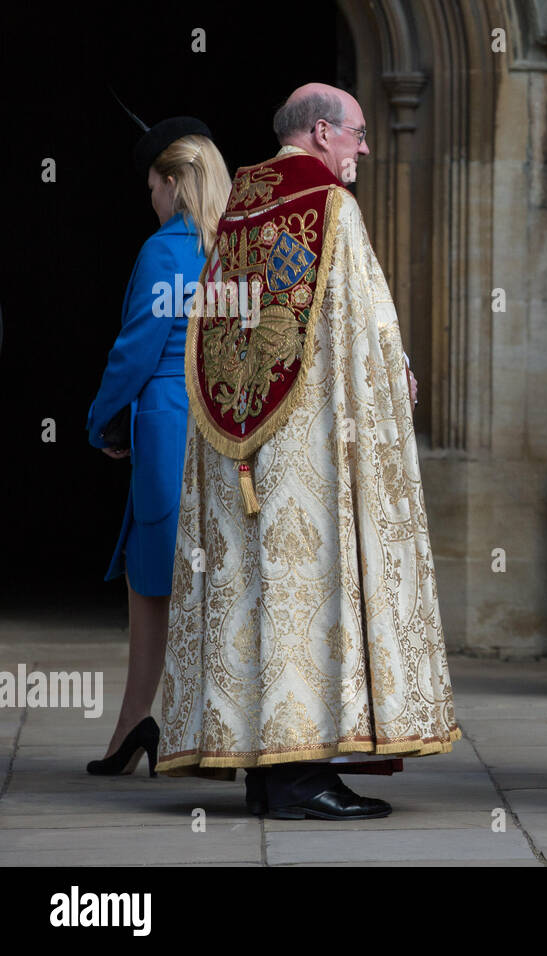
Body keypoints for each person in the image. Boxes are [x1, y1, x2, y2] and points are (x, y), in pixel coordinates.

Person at [154, 84, 461, 821]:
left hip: (240, 449)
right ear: (322, 133)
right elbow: (368, 331)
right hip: (311, 447)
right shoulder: (331, 209)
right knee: (312, 594)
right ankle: (299, 779)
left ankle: (266, 772)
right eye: (356, 133)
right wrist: (397, 388)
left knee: (263, 598)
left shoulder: (240, 206)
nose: (363, 147)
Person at [86, 118, 231, 777]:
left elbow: (136, 350)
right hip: (227, 432)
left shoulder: (163, 249)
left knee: (153, 584)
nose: (150, 198)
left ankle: (148, 727)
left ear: (174, 183)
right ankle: (154, 727)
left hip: (171, 424)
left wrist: (99, 420)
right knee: (208, 582)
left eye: (153, 186)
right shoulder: (237, 247)